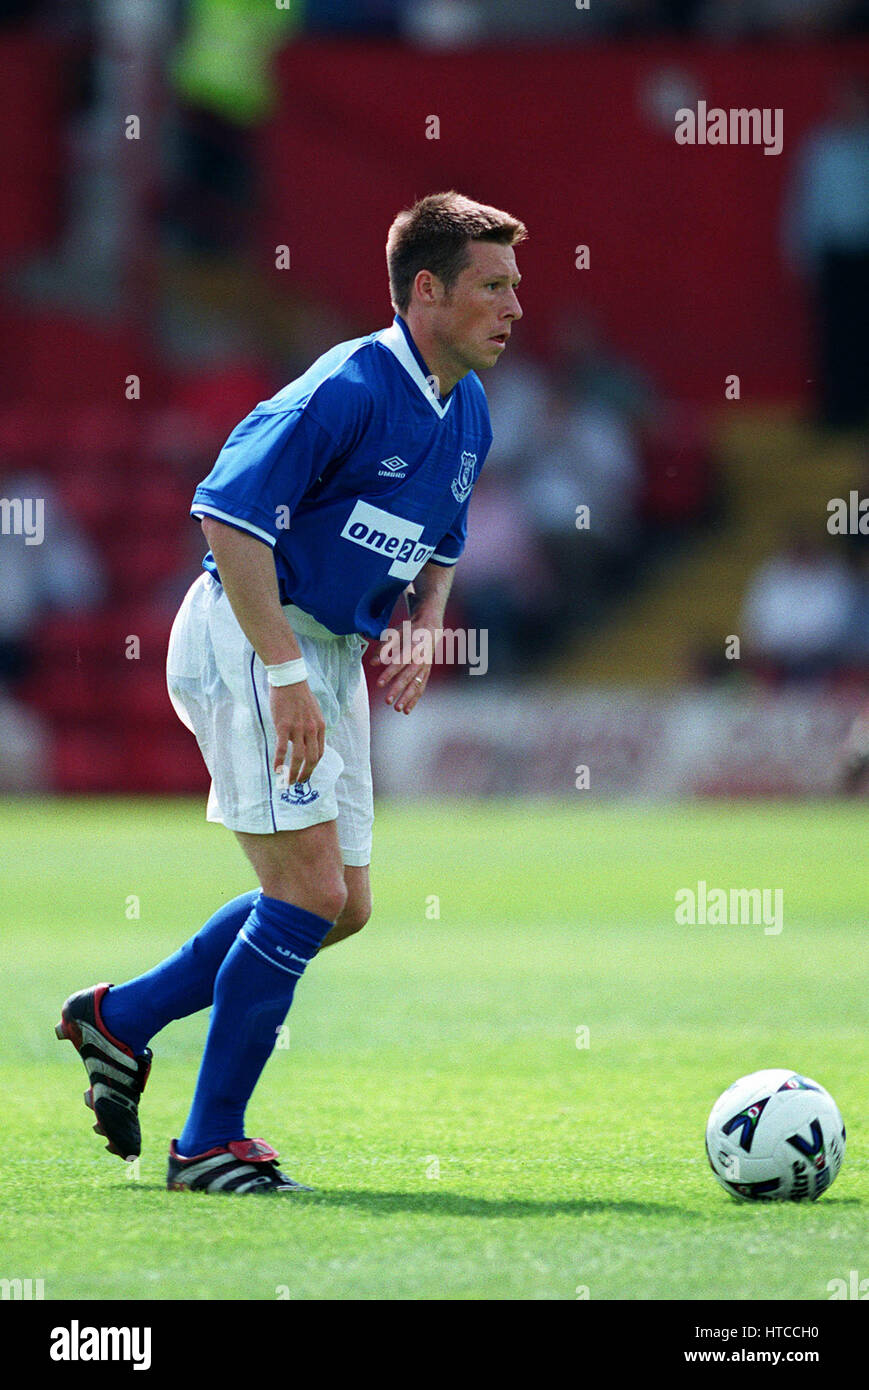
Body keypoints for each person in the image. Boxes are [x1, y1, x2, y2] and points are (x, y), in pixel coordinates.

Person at [55, 191, 526, 1195]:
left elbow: (440, 538)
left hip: (327, 648)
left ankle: (120, 1018)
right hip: (248, 631)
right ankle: (207, 1144)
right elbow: (228, 520)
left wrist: (427, 621)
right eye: (492, 285)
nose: (512, 305)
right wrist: (282, 674)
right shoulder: (346, 386)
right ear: (426, 290)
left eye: (514, 286)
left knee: (340, 905)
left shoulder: (468, 406)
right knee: (306, 892)